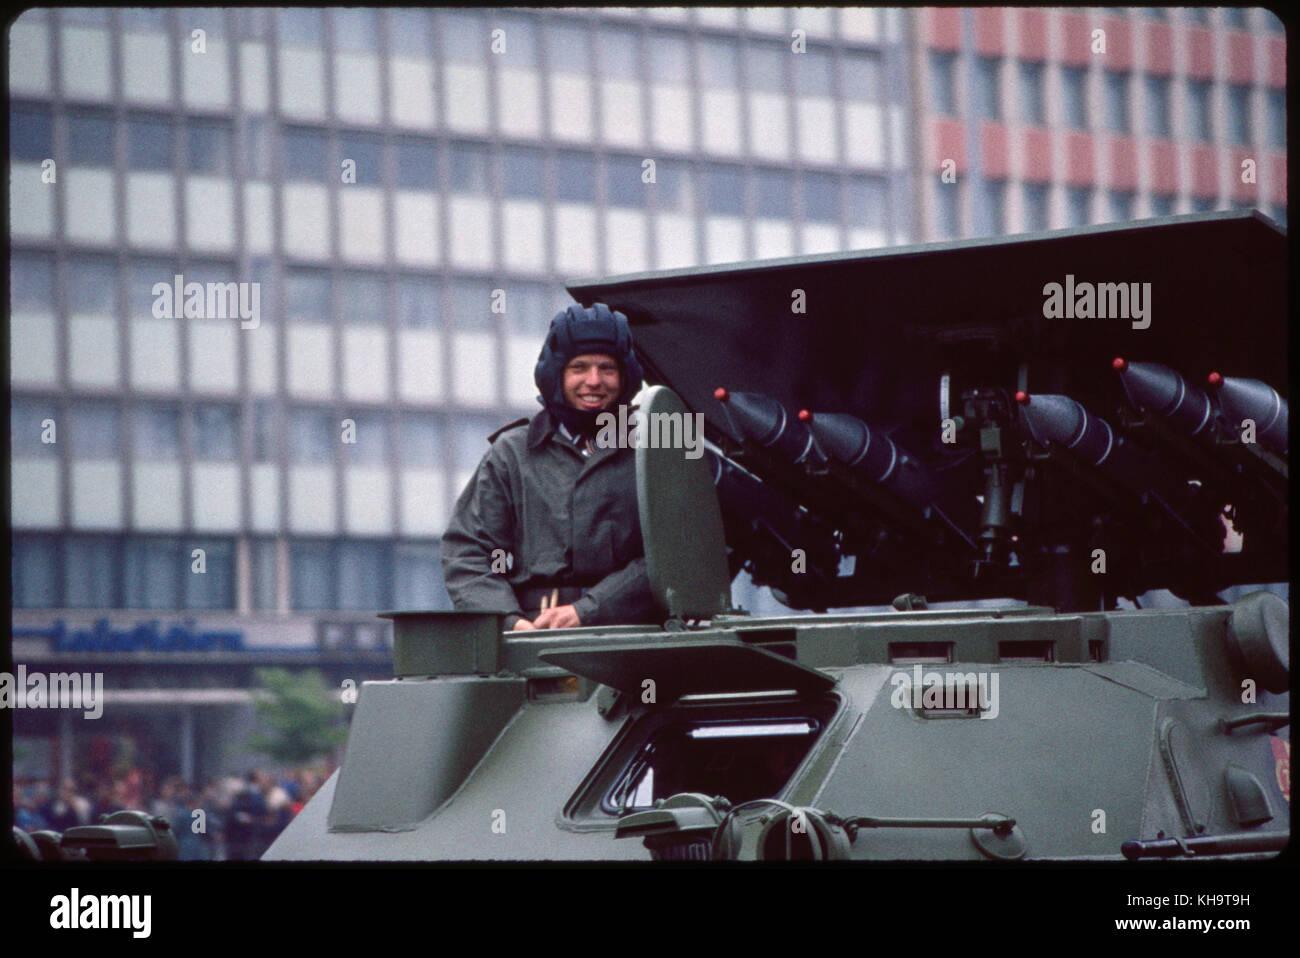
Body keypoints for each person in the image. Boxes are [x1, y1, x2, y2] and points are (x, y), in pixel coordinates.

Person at [442, 303, 658, 630]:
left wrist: (588, 610)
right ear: (556, 374)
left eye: (608, 368)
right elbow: (469, 554)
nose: (594, 381)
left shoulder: (653, 449)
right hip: (532, 636)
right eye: (579, 368)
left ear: (626, 376)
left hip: (632, 636)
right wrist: (509, 620)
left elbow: (672, 555)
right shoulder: (512, 454)